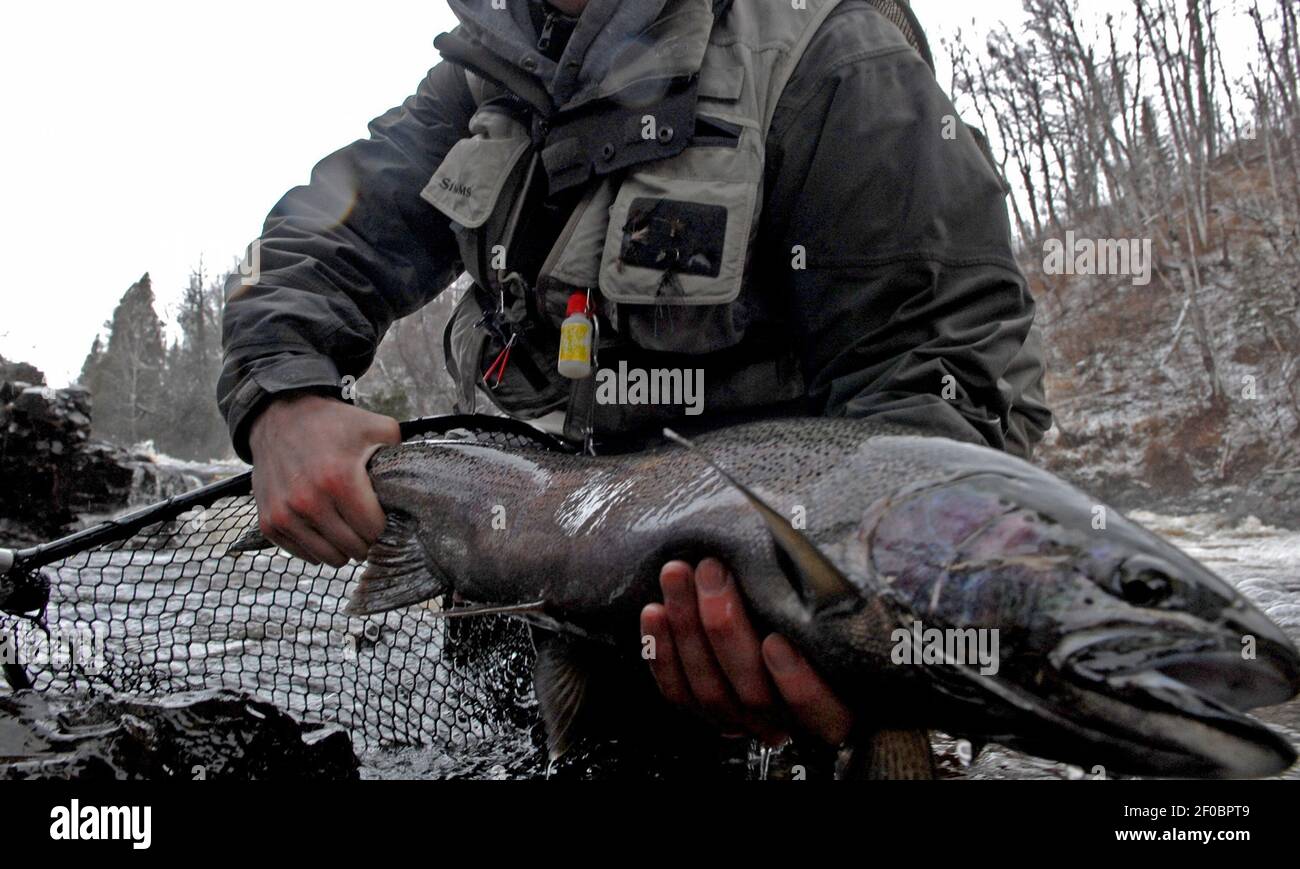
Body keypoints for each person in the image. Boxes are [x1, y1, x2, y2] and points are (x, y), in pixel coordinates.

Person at [220, 0, 1052, 753]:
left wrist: (858, 640)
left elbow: (951, 391)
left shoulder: (833, 55)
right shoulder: (485, 75)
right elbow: (319, 238)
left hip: (756, 633)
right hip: (521, 599)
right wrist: (283, 394)